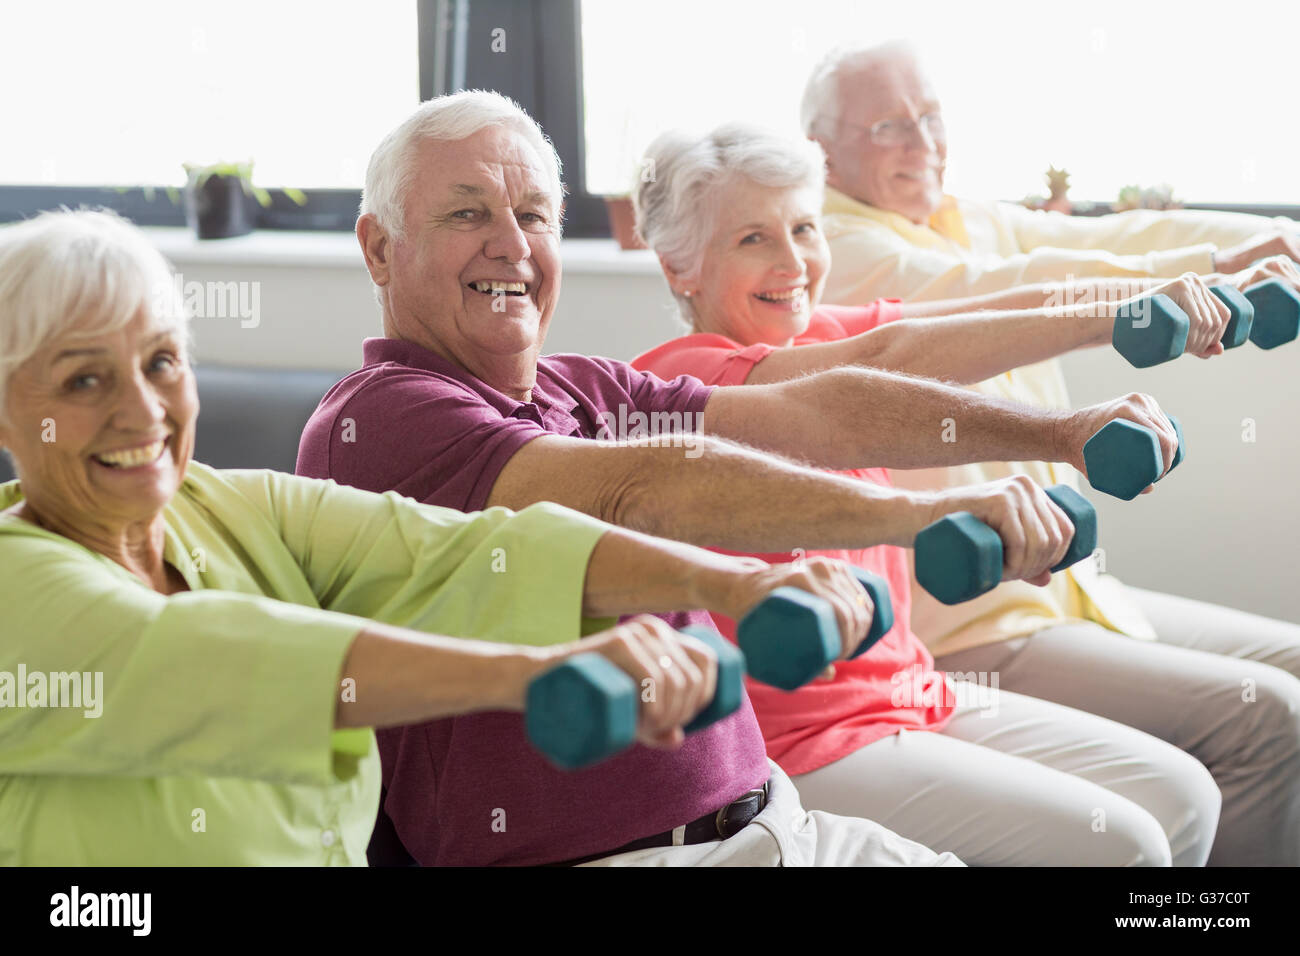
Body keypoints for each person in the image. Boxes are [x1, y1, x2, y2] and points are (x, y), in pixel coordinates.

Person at [297, 90, 1198, 867]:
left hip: (775, 824)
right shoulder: (379, 417)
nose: (512, 245)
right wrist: (921, 513)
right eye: (467, 215)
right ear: (380, 249)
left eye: (533, 215)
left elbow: (819, 410)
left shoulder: (585, 384)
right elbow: (634, 488)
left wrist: (1061, 432)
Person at [0, 209, 905, 866]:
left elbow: (474, 549)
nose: (140, 409)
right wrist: (535, 676)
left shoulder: (224, 508)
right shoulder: (17, 592)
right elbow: (235, 660)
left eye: (161, 362)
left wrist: (732, 586)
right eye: (83, 381)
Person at [630, 121, 1300, 866]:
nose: (793, 260)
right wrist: (1066, 424)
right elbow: (893, 357)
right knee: (1128, 846)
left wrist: (1153, 298)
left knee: (1183, 797)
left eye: (804, 227)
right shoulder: (682, 381)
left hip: (912, 693)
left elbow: (993, 310)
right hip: (796, 743)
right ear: (679, 266)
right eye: (752, 239)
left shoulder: (817, 331)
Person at [801, 40, 1300, 308]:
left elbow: (1116, 235)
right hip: (963, 505)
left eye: (931, 118)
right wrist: (1217, 264)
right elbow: (1003, 288)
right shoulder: (828, 249)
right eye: (889, 127)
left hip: (1046, 501)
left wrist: (1278, 236)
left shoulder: (968, 215)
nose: (926, 145)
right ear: (822, 152)